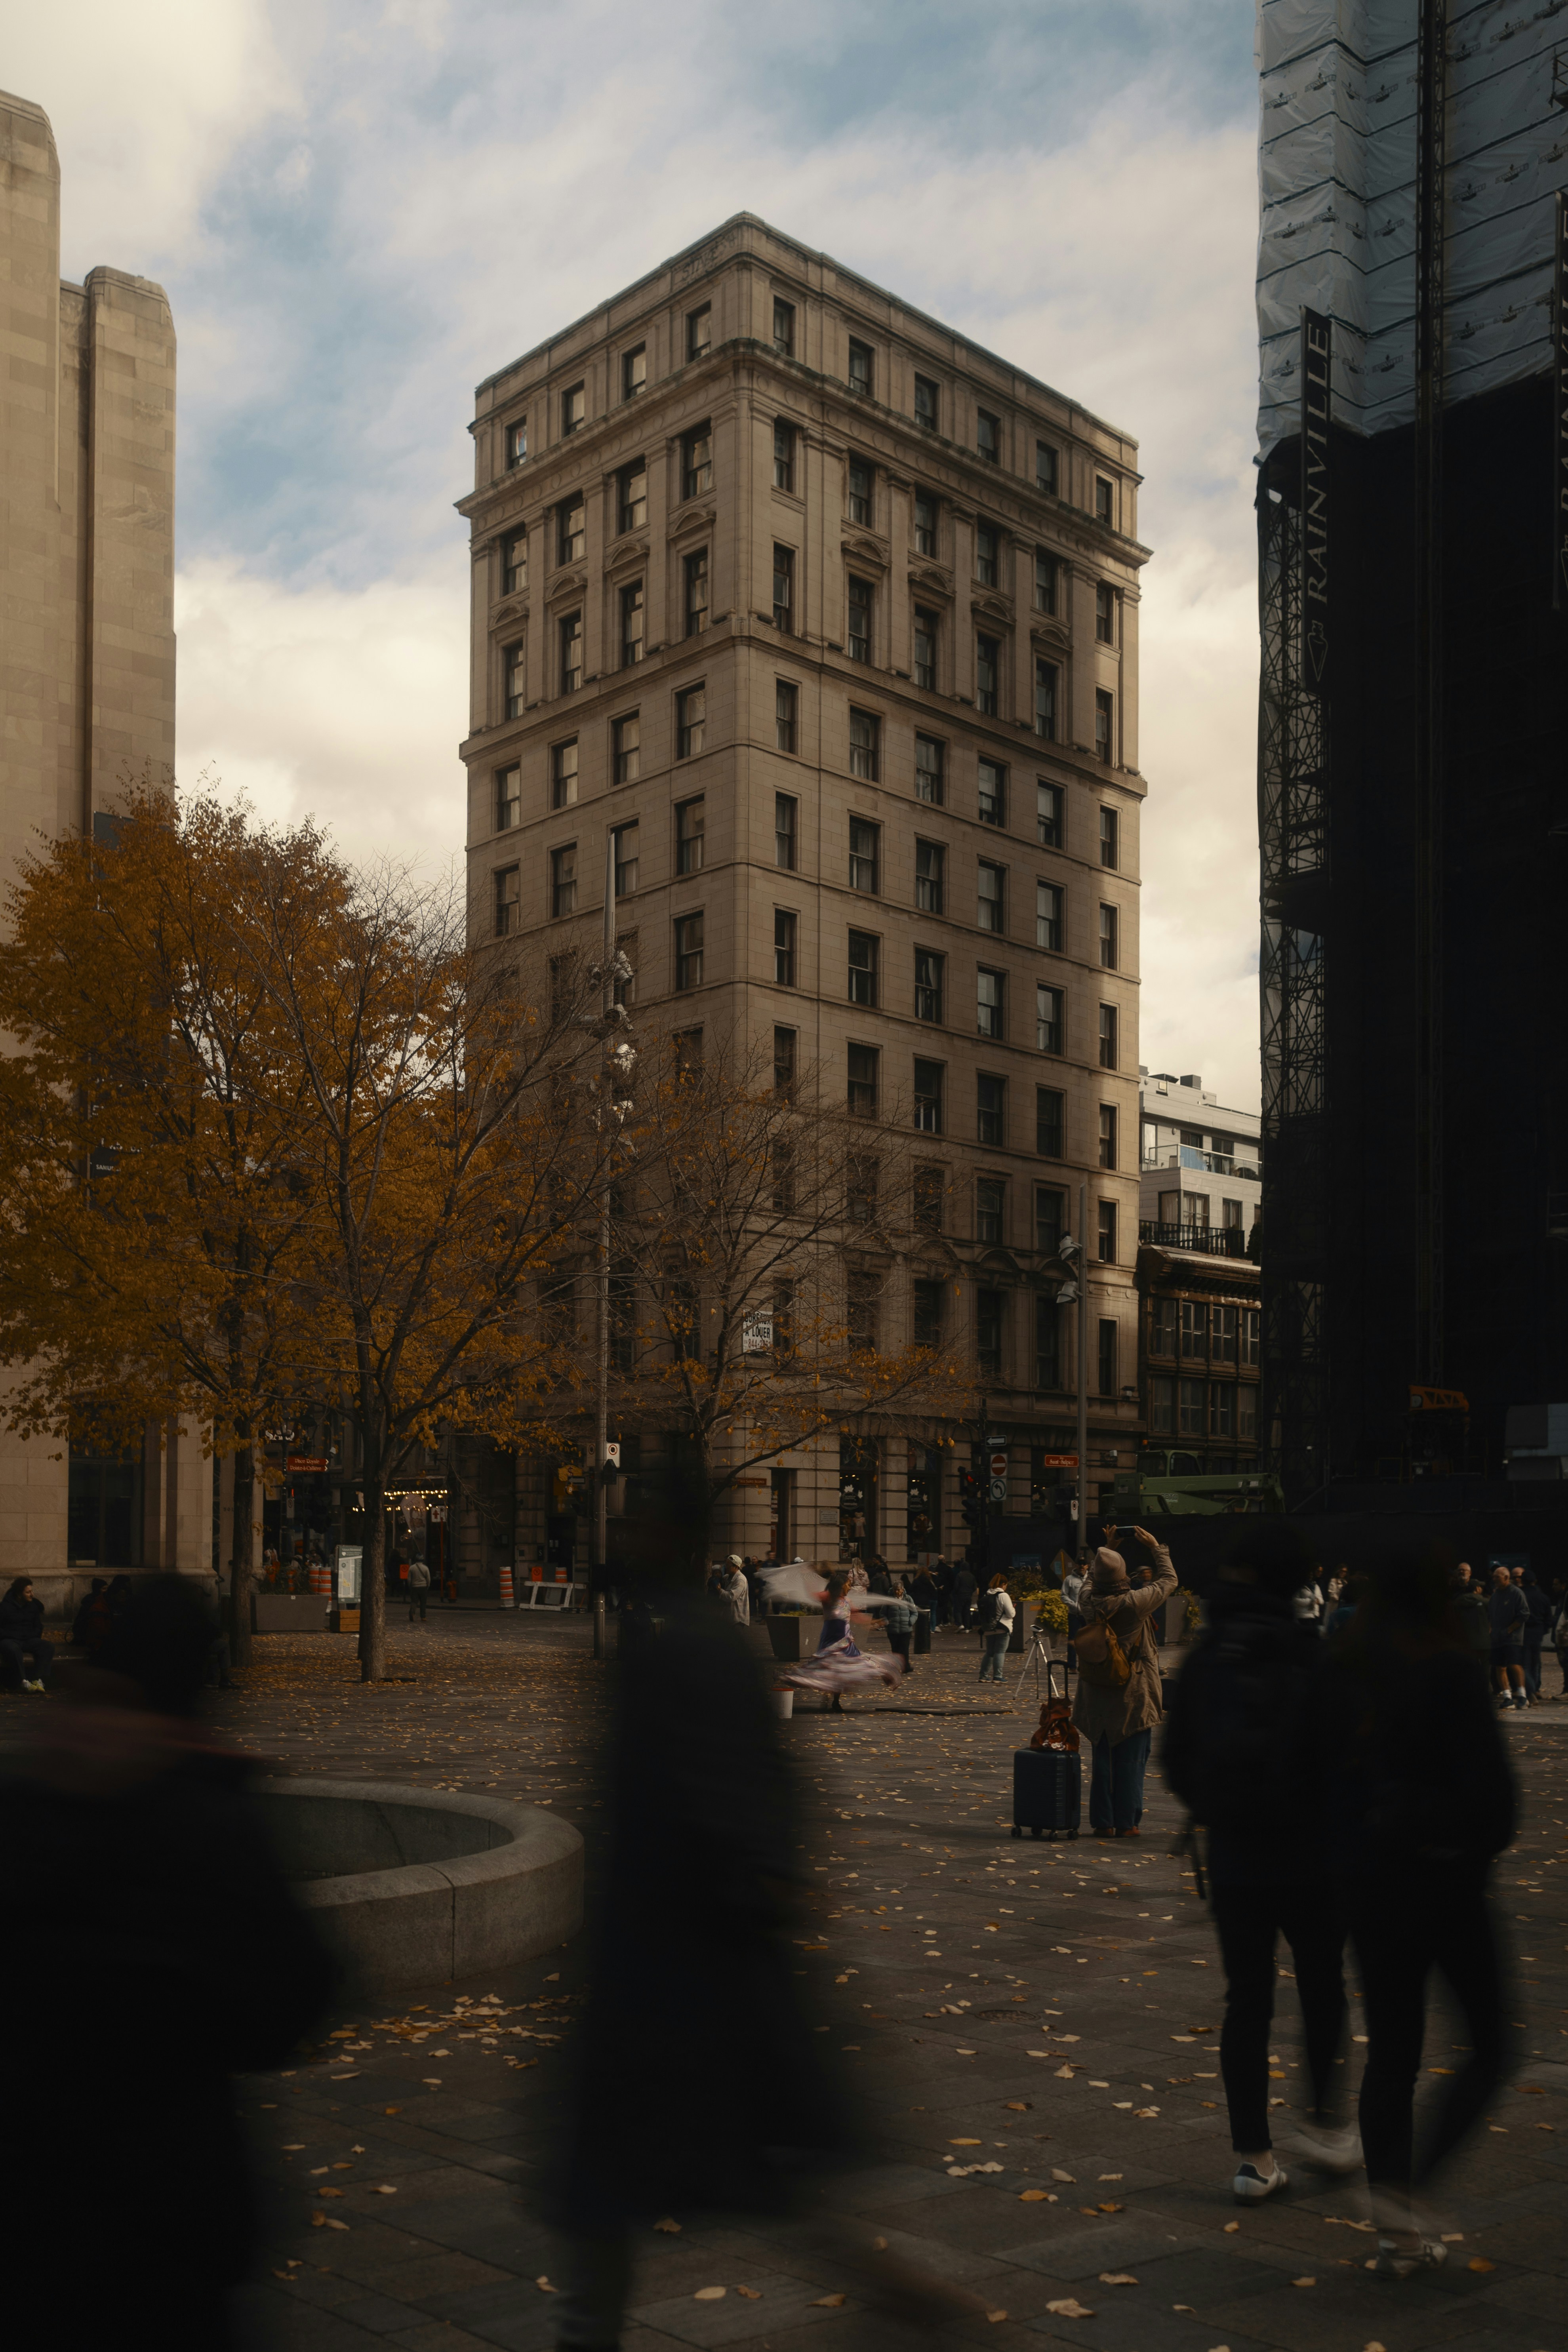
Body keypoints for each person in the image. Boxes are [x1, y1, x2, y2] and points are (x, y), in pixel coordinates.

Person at [0, 1575, 335, 2345]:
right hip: (172, 2208)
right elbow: (289, 1999)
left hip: (34, 2209)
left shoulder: (36, 1789)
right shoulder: (207, 1811)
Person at [1317, 1546, 1515, 2278]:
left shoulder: (1344, 1668)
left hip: (1368, 1889)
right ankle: (1412, 2187)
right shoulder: (1449, 1669)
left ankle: (1393, 2229)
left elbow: (1315, 1783)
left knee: (1391, 2052)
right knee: (1490, 2043)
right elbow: (1496, 1804)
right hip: (1445, 1885)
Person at [1163, 1521, 1353, 2206]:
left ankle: (1253, 2156)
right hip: (1312, 1858)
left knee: (1245, 2001)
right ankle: (1327, 2120)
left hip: (1237, 1860)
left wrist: (1218, 1808)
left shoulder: (1209, 1652)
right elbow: (1347, 1759)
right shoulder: (1311, 1652)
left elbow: (1176, 1758)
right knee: (1322, 1983)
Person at [1072, 1531, 1177, 1839]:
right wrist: (1157, 1547)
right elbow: (1169, 1580)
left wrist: (1106, 1549)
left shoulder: (1088, 1602)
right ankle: (1127, 1822)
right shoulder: (1133, 1603)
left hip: (1095, 1696)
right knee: (1131, 1760)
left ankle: (1102, 1822)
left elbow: (1089, 1582)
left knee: (1102, 1760)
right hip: (1132, 1694)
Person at [775, 1568, 901, 1711]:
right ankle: (788, 1677)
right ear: (840, 1585)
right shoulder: (829, 1598)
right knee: (825, 1669)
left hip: (845, 1642)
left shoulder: (847, 1601)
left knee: (845, 1669)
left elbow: (857, 1617)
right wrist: (807, 1577)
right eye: (848, 1585)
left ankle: (836, 1701)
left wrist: (874, 1623)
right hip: (830, 1642)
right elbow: (812, 1594)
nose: (849, 1587)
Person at [0, 1577, 53, 1693]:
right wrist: (10, 1635)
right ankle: (23, 1681)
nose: (32, 1595)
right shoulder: (5, 1607)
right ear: (19, 1594)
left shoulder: (32, 1606)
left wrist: (33, 1636)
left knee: (47, 1647)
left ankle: (37, 1680)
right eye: (28, 1592)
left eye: (32, 1591)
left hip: (28, 1640)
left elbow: (38, 1626)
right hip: (11, 1640)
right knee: (13, 1649)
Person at [1488, 1564, 1528, 1708]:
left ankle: (1523, 1696)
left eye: (1497, 1577)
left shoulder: (1516, 1593)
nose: (1495, 1580)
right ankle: (1507, 1697)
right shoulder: (1495, 1596)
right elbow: (1491, 1616)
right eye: (1493, 1577)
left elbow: (1524, 1614)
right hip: (1498, 1638)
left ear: (1506, 1578)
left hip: (1512, 1638)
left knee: (1514, 1665)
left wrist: (1510, 1630)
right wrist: (1491, 1630)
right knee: (1500, 1667)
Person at [1515, 1565, 1549, 1705]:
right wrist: (1544, 1630)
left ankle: (1530, 1690)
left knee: (1525, 1665)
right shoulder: (1543, 1597)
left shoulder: (1519, 1595)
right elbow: (1548, 1618)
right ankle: (1536, 1688)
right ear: (1535, 1581)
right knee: (1536, 1663)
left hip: (1524, 1632)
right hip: (1538, 1632)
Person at [1451, 1563, 1490, 1674]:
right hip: (1473, 1636)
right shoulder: (1454, 1588)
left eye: (1464, 1570)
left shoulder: (1459, 1596)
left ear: (1470, 1573)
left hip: (1467, 1636)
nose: (1462, 1572)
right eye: (1460, 1570)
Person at [976, 1572, 1014, 1682]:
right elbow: (1011, 1614)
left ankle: (983, 1676)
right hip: (1003, 1627)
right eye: (1006, 1585)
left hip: (988, 1628)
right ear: (1003, 1584)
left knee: (990, 1652)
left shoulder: (986, 1595)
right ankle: (998, 1676)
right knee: (1000, 1652)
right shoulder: (1004, 1596)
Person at [883, 1575, 918, 1674]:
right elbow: (883, 1613)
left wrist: (911, 1622)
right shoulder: (889, 1600)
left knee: (905, 1649)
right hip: (893, 1630)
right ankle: (896, 1666)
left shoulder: (908, 1599)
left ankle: (906, 1667)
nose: (897, 1592)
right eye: (895, 1590)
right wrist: (887, 1622)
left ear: (902, 1590)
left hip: (906, 1629)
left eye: (898, 1590)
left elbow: (914, 1613)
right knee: (895, 1649)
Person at [70, 1577, 108, 1648]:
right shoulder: (91, 1602)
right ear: (98, 1590)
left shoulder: (101, 1600)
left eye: (107, 1589)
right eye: (104, 1589)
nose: (106, 1591)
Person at [717, 1557, 750, 1626]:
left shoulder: (740, 1580)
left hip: (738, 1620)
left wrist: (720, 1590)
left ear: (736, 1567)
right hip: (729, 1617)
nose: (727, 1568)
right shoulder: (727, 1577)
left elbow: (731, 1597)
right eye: (726, 1565)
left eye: (729, 1566)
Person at [950, 1558, 977, 1631]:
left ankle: (960, 1624)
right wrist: (970, 1592)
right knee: (967, 1611)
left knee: (958, 1610)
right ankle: (967, 1627)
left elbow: (956, 1586)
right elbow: (975, 1587)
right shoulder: (972, 1576)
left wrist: (956, 1593)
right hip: (969, 1596)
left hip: (960, 1595)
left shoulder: (960, 1575)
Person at [407, 1554, 431, 1623]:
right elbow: (428, 1579)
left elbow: (409, 1579)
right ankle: (423, 1617)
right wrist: (428, 1585)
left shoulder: (412, 1568)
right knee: (423, 1602)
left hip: (415, 1587)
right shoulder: (426, 1568)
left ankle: (412, 1612)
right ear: (423, 1560)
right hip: (423, 1587)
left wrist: (410, 1586)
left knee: (414, 1601)